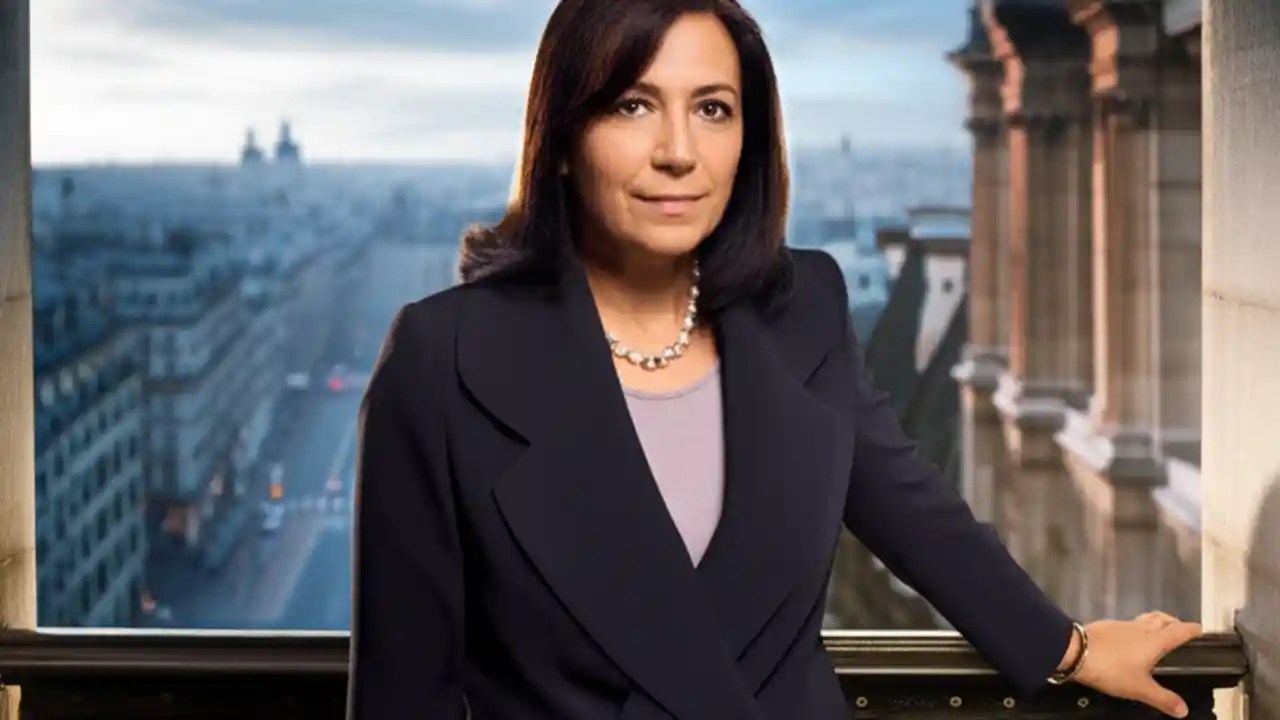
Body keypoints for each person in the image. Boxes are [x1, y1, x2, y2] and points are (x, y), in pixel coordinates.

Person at [345, 1, 1202, 718]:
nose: (679, 150)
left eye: (713, 108)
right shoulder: (441, 359)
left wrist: (1068, 645)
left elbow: (912, 509)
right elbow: (403, 689)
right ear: (562, 138)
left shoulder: (805, 311)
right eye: (632, 105)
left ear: (749, 140)